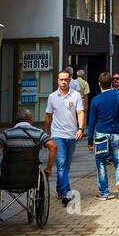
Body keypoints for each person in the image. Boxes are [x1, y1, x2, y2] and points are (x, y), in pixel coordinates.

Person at [43, 70, 84, 207]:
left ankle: (60, 187)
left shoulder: (76, 95)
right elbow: (48, 116)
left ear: (70, 80)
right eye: (61, 79)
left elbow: (80, 112)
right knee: (61, 162)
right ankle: (66, 193)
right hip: (57, 134)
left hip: (71, 134)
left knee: (67, 164)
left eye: (66, 79)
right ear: (57, 80)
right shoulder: (52, 97)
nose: (63, 82)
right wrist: (45, 133)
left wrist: (80, 128)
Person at [88, 70, 119, 202]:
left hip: (101, 133)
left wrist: (90, 140)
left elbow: (91, 122)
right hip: (116, 131)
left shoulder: (95, 100)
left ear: (99, 84)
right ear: (111, 82)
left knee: (101, 162)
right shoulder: (118, 96)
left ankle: (103, 192)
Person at [0, 106, 56, 179]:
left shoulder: (7, 133)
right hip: (31, 174)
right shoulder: (38, 133)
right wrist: (48, 169)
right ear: (30, 120)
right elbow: (53, 146)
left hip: (8, 174)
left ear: (16, 121)